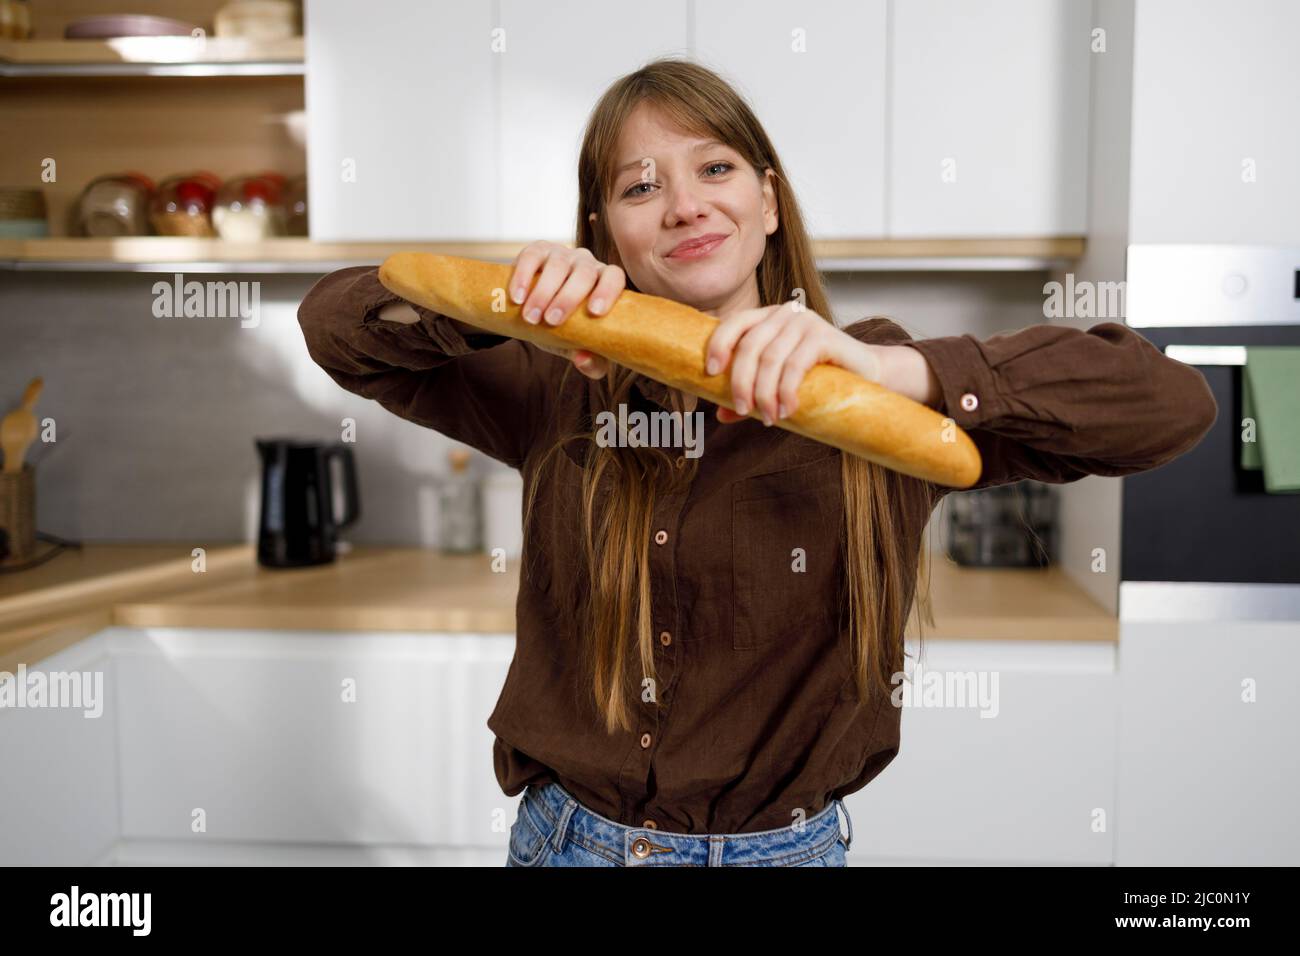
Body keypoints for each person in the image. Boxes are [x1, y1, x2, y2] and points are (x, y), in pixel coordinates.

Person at [297, 58, 1217, 867]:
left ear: (767, 203)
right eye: (639, 186)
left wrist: (901, 370)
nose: (686, 203)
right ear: (604, 231)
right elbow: (337, 329)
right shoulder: (556, 382)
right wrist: (500, 300)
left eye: (715, 168)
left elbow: (1170, 404)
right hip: (565, 846)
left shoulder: (884, 393)